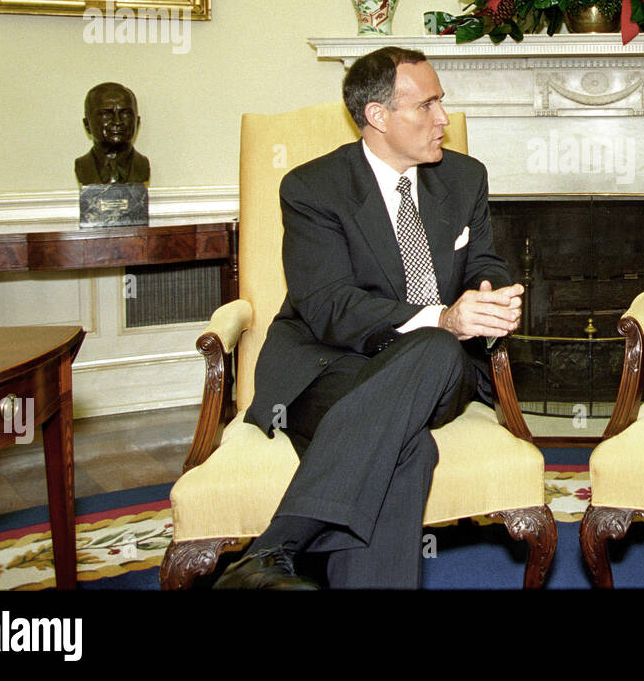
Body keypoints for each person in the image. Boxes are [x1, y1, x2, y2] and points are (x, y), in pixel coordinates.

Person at [215, 47, 523, 589]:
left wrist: (488, 297)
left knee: (436, 348)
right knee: (409, 447)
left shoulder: (464, 177)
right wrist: (442, 318)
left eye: (441, 103)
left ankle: (272, 548)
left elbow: (485, 262)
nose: (443, 119)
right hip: (328, 365)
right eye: (426, 106)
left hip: (439, 372)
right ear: (377, 117)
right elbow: (328, 303)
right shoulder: (314, 188)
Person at [74, 82, 150, 184]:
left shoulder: (142, 166)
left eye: (125, 113)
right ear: (87, 124)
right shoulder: (83, 166)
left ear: (137, 122)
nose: (117, 121)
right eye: (106, 114)